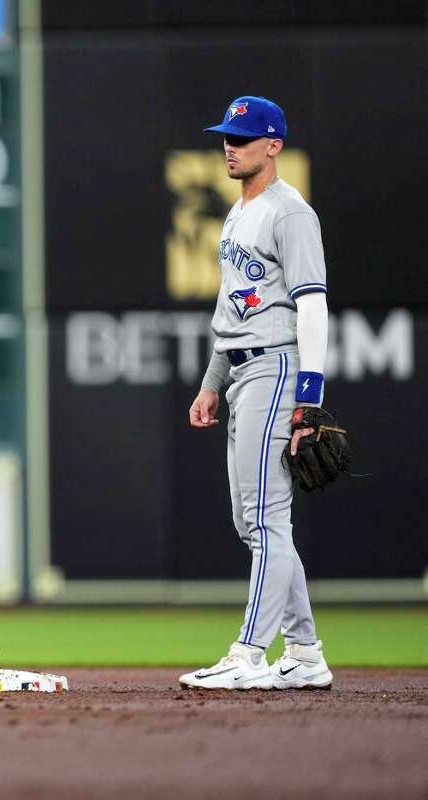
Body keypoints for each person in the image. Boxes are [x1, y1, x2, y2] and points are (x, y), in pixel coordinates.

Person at [180, 96, 333, 691]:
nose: (229, 146)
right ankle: (305, 652)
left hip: (276, 367)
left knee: (266, 518)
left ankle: (249, 654)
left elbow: (313, 304)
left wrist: (310, 396)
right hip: (241, 370)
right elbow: (233, 306)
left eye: (242, 138)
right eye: (226, 136)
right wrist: (212, 381)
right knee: (254, 523)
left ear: (274, 145)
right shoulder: (238, 212)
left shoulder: (290, 213)